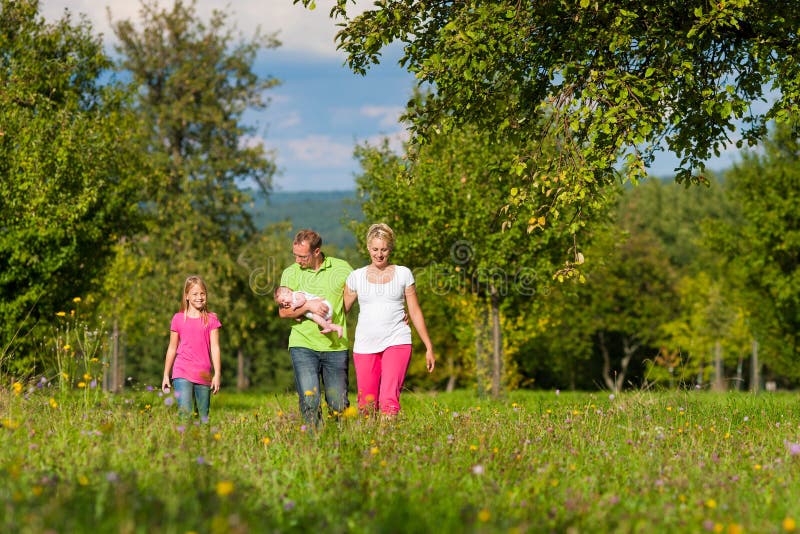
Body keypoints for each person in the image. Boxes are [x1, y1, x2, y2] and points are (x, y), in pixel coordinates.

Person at [344, 223, 435, 416]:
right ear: (368, 248)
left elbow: (415, 311)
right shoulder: (356, 276)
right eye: (375, 249)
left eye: (384, 249)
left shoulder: (403, 273)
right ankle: (370, 436)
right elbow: (341, 310)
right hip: (365, 344)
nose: (379, 254)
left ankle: (388, 435)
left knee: (389, 399)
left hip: (397, 340)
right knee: (366, 404)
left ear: (390, 249)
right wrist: (311, 309)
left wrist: (428, 346)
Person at [278, 229, 352, 426]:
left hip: (336, 346)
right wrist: (308, 306)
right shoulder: (291, 273)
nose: (297, 261)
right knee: (310, 401)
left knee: (338, 404)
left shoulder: (342, 268)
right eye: (295, 255)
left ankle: (338, 441)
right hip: (303, 344)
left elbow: (361, 292)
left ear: (317, 251)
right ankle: (314, 441)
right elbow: (283, 312)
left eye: (302, 256)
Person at [161, 275, 222, 421]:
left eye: (202, 293)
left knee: (203, 418)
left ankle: (201, 436)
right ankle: (184, 436)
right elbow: (172, 348)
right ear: (187, 296)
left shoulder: (211, 319)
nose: (199, 297)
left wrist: (217, 374)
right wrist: (166, 374)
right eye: (195, 294)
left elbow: (215, 348)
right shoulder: (178, 319)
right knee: (185, 415)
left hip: (204, 374)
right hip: (182, 371)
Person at [274, 286, 343, 337]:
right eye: (281, 303)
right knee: (326, 323)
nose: (284, 303)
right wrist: (296, 317)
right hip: (323, 314)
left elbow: (303, 300)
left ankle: (327, 327)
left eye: (283, 300)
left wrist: (295, 306)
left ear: (288, 292)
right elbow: (298, 313)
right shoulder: (292, 303)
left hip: (323, 305)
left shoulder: (296, 295)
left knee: (315, 317)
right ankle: (337, 328)